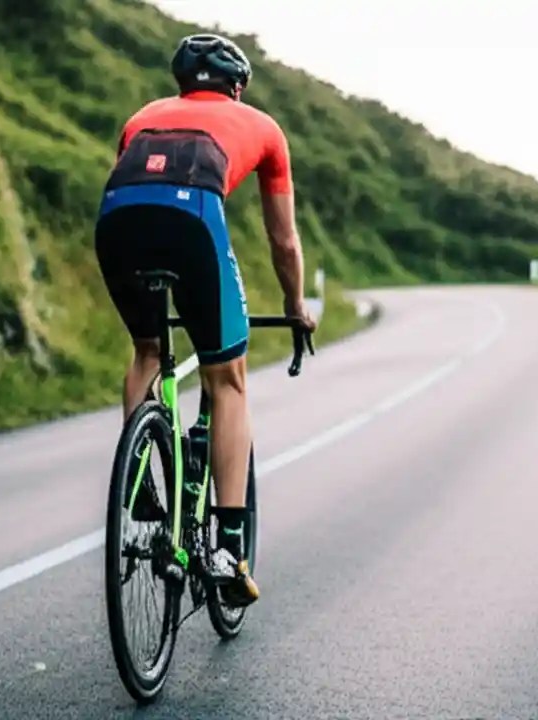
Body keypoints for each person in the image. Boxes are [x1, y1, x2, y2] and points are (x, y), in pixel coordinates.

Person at [93, 33, 316, 607]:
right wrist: (295, 307)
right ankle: (228, 548)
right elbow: (283, 240)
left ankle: (142, 485)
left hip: (116, 217)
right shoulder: (263, 128)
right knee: (227, 378)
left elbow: (135, 176)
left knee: (147, 349)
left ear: (181, 83)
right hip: (192, 219)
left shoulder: (142, 116)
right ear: (238, 87)